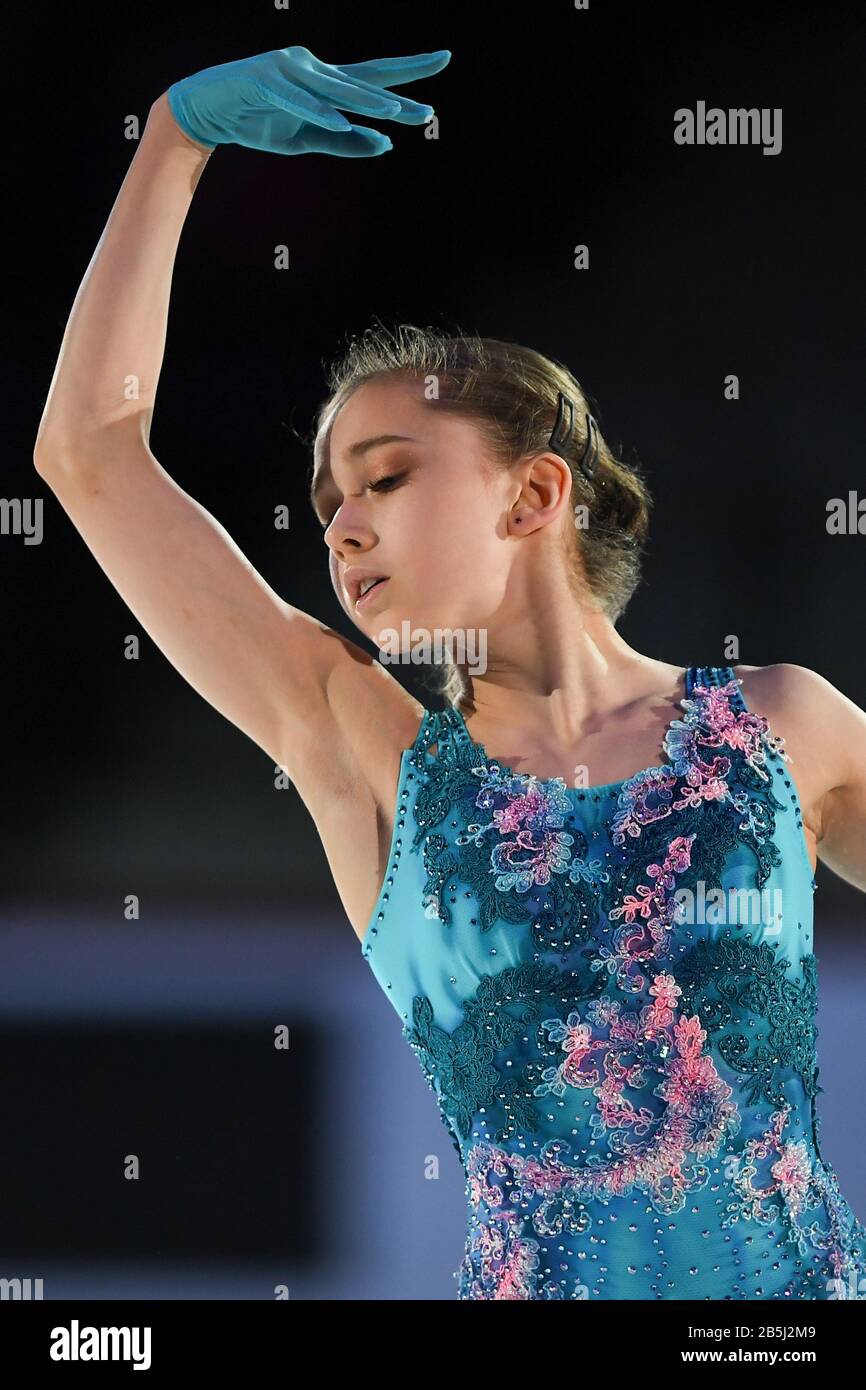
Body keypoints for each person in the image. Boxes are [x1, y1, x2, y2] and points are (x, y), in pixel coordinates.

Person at [33, 45, 866, 1301]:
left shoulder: (781, 726)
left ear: (533, 491)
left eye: (384, 475)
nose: (340, 526)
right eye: (325, 503)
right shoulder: (364, 747)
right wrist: (172, 139)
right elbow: (89, 453)